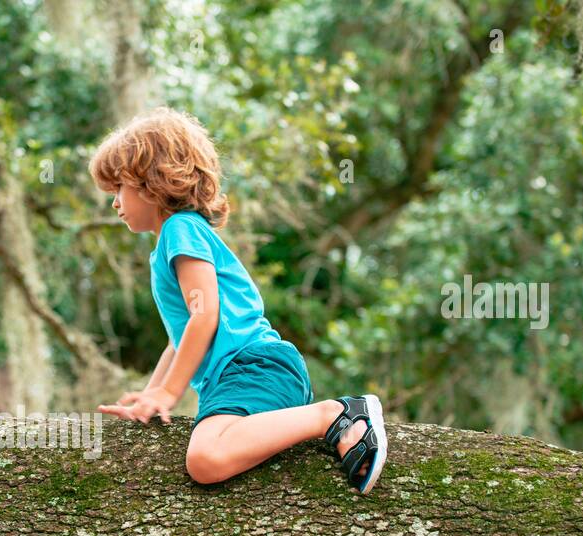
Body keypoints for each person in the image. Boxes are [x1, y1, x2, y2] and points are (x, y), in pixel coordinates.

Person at [88, 106, 387, 492]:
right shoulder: (175, 240)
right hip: (247, 374)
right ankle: (343, 431)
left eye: (119, 189)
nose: (114, 203)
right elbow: (178, 340)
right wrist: (151, 394)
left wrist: (169, 392)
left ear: (152, 181)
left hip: (254, 367)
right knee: (209, 453)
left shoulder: (179, 230)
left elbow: (205, 314)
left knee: (205, 459)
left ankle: (336, 414)